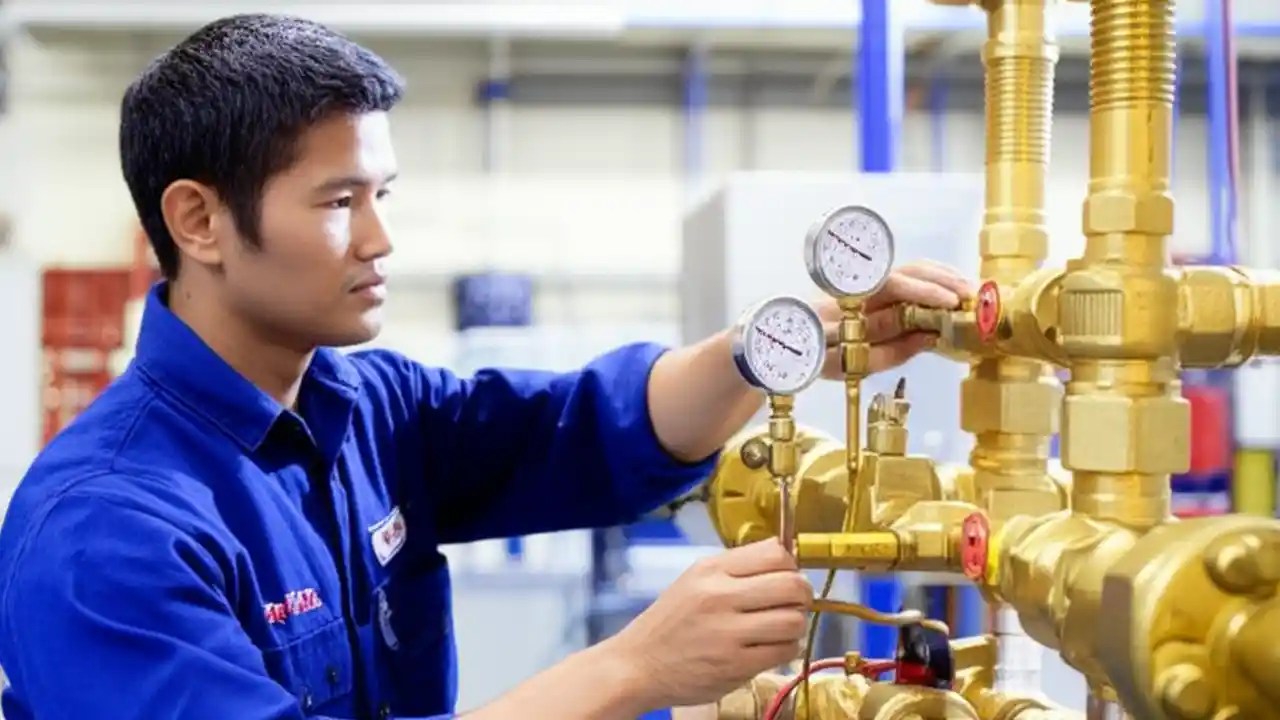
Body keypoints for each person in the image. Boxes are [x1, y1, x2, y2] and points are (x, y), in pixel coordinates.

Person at [0, 14, 972, 720]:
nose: (381, 239)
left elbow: (582, 431)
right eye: (339, 201)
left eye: (383, 194)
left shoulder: (367, 407)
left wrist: (775, 346)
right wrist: (634, 667)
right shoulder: (106, 530)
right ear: (199, 220)